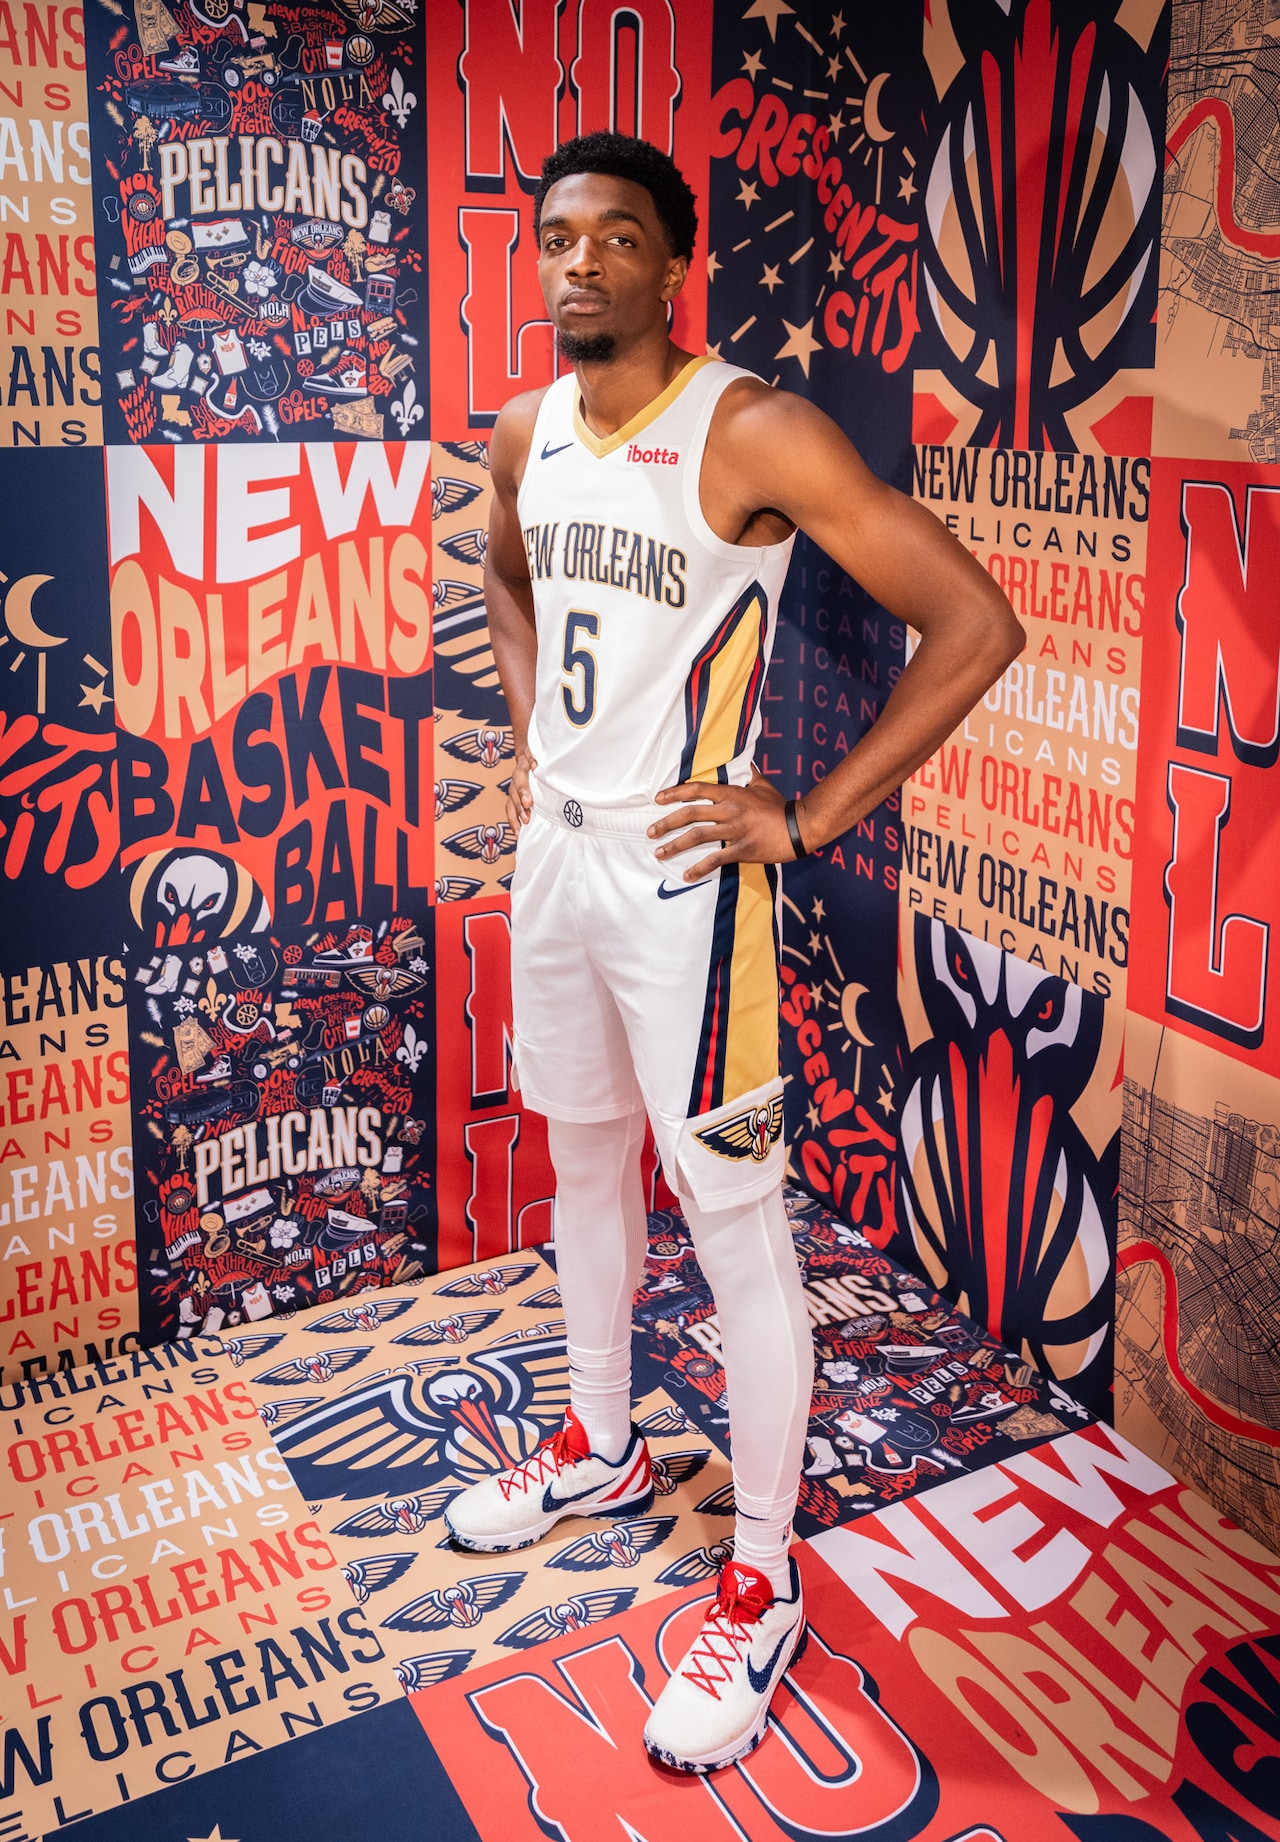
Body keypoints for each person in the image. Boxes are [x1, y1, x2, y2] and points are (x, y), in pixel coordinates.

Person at [444, 131, 1023, 1773]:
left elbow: (974, 621)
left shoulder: (748, 425)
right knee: (582, 1168)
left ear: (672, 260)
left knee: (739, 1222)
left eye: (617, 238)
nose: (580, 263)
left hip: (692, 887)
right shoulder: (524, 427)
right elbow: (506, 575)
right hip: (559, 859)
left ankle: (759, 1575)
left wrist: (811, 812)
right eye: (559, 236)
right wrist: (535, 742)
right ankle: (602, 1446)